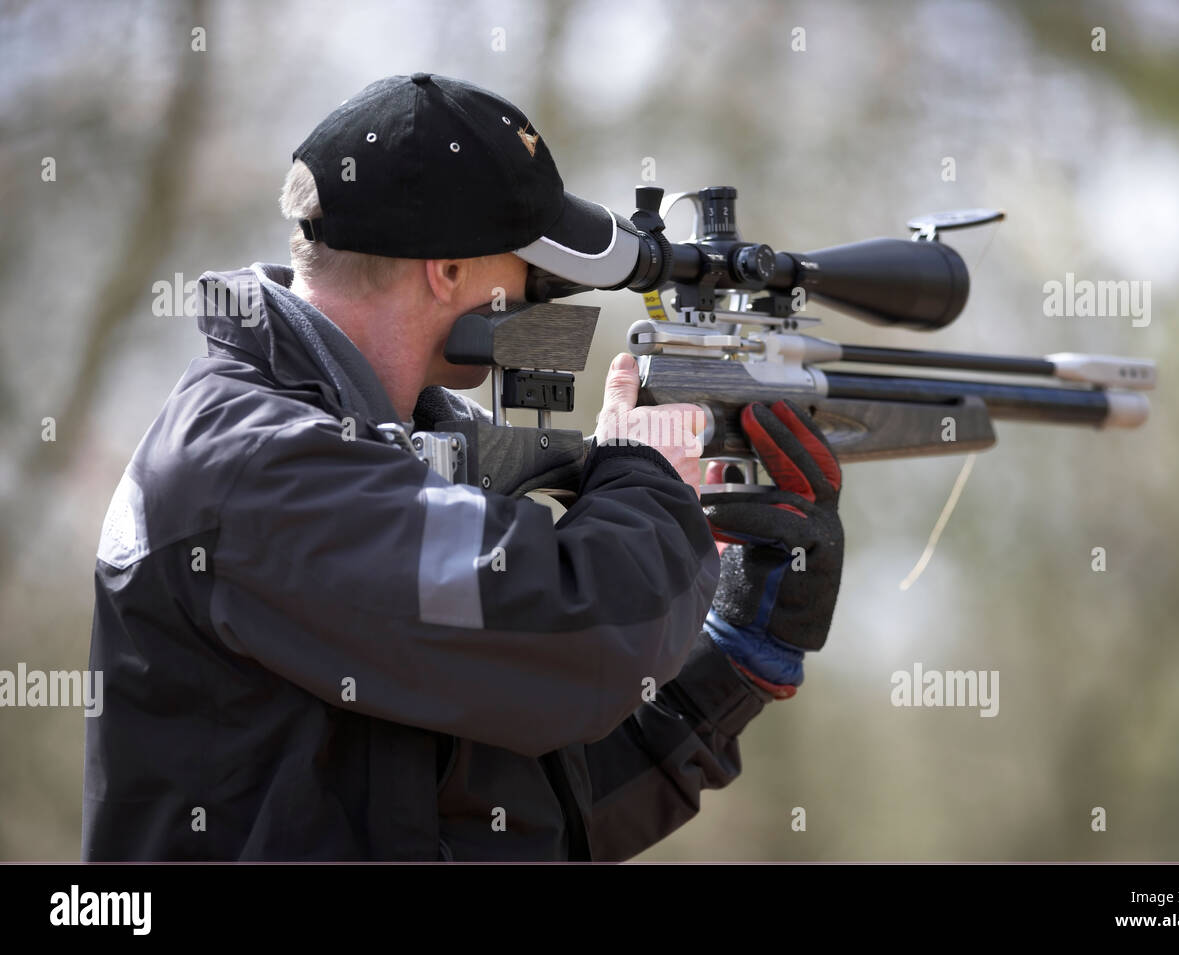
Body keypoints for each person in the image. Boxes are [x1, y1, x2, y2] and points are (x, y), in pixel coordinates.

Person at [84, 73, 844, 861]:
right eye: (528, 267)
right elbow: (576, 644)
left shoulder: (378, 445)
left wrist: (736, 659)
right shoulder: (258, 461)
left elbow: (523, 819)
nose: (536, 297)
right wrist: (647, 478)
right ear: (446, 269)